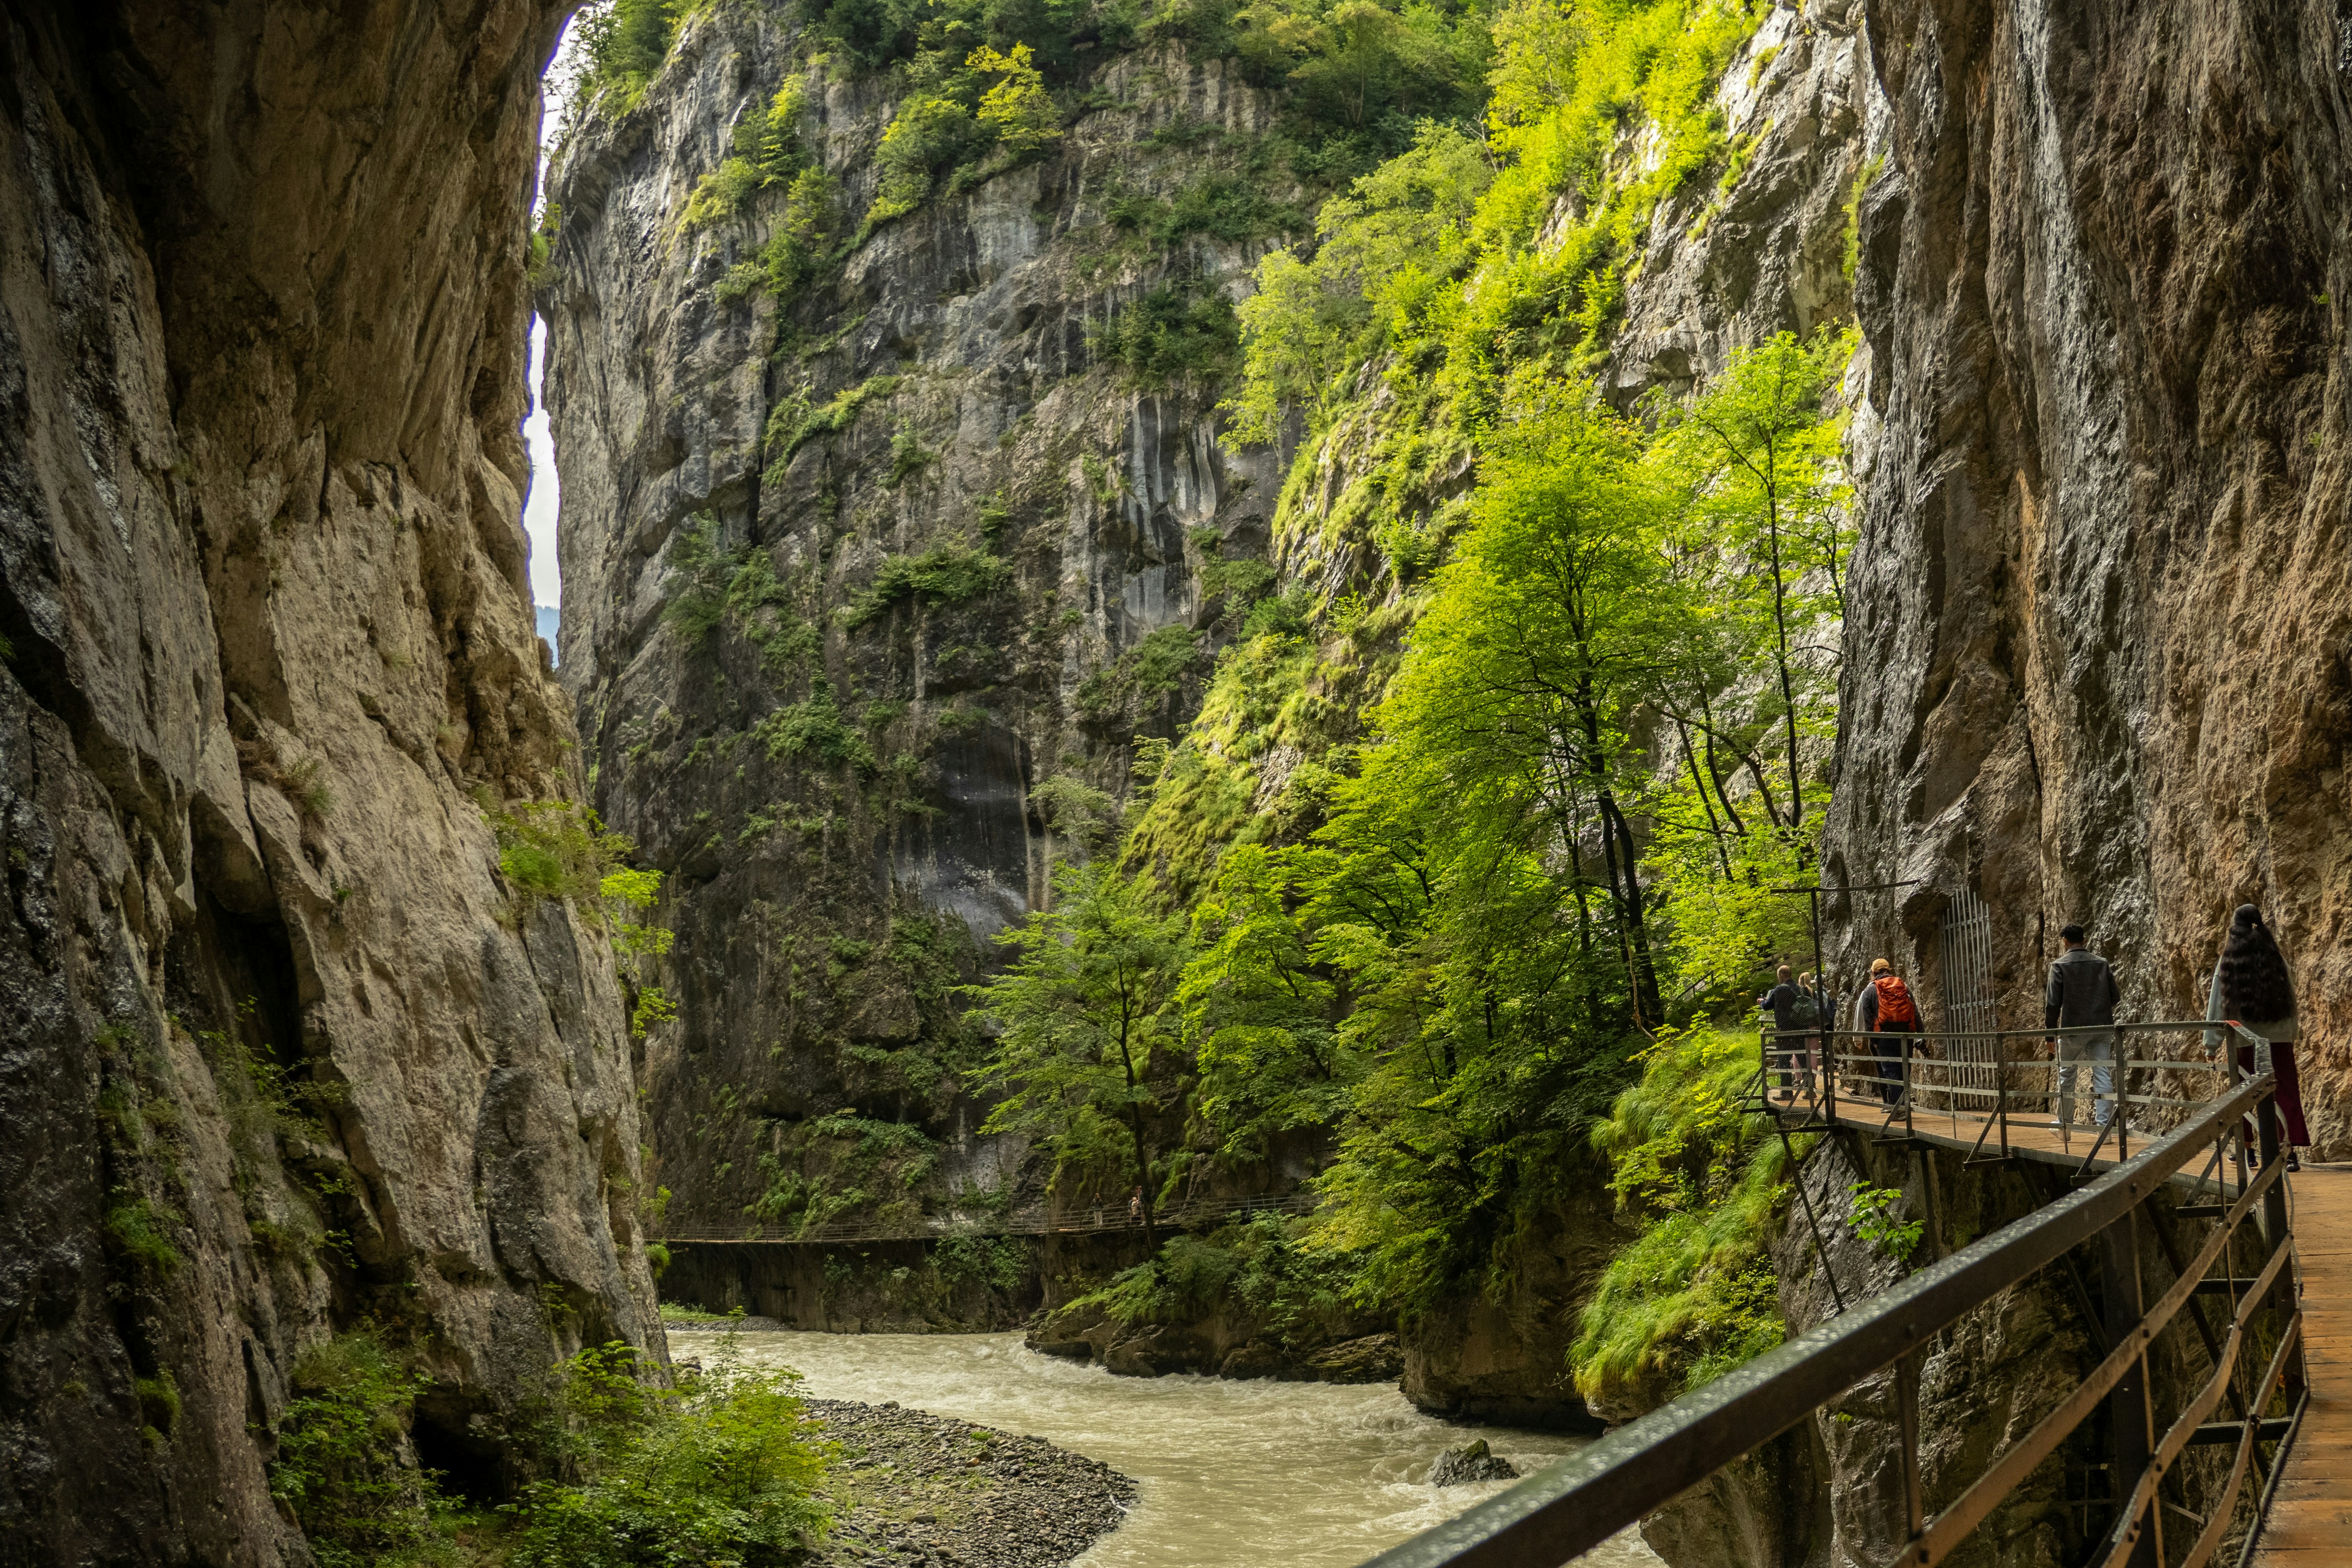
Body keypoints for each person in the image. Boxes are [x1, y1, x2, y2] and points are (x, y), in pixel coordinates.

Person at [2203, 904, 2311, 1166]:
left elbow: (2217, 1003)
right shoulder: (2276, 958)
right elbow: (2291, 999)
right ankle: (2289, 1154)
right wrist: (2290, 1033)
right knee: (2285, 1092)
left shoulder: (2227, 961)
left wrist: (2211, 1045)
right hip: (2279, 1039)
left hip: (2244, 1039)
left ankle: (2248, 1152)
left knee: (2244, 1094)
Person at [2045, 922, 2120, 1132]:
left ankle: (2064, 1126)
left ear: (2065, 941)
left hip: (2072, 1030)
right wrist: (2097, 1009)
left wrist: (2050, 1035)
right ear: (2084, 940)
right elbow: (2115, 996)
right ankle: (2105, 1130)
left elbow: (2052, 1004)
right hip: (2102, 1027)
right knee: (2103, 1073)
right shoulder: (2102, 963)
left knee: (2067, 1074)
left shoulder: (2059, 966)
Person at [1860, 958, 1919, 1105]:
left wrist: (1873, 1040)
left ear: (1873, 972)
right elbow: (1914, 1011)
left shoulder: (1870, 989)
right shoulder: (1903, 985)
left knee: (1890, 1071)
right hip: (1905, 1034)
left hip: (1884, 1036)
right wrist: (1919, 1034)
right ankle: (1903, 1105)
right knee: (1904, 1069)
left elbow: (1868, 1019)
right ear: (1889, 971)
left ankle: (1897, 1108)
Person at [1759, 964, 1812, 1101]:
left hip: (1785, 1032)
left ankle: (1787, 1093)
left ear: (1781, 975)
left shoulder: (1780, 989)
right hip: (1801, 1031)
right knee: (1803, 1061)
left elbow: (1767, 1006)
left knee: (1783, 1062)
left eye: (1778, 976)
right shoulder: (1802, 989)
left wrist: (1761, 1002)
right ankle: (1810, 1091)